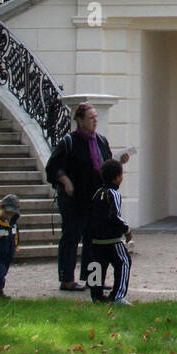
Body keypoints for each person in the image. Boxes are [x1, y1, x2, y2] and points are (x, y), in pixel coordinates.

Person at [45, 103, 130, 291]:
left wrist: (118, 161)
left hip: (94, 199)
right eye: (91, 118)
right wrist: (65, 181)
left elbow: (104, 166)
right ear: (80, 120)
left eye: (96, 118)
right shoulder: (69, 141)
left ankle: (93, 280)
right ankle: (67, 279)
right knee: (71, 238)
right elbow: (53, 167)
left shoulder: (100, 141)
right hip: (74, 198)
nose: (94, 121)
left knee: (94, 242)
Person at [87, 158, 132, 305]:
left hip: (95, 240)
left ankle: (96, 296)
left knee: (96, 266)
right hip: (111, 239)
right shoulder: (113, 194)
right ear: (117, 177)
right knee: (124, 261)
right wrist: (126, 229)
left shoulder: (96, 193)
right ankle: (118, 296)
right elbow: (115, 216)